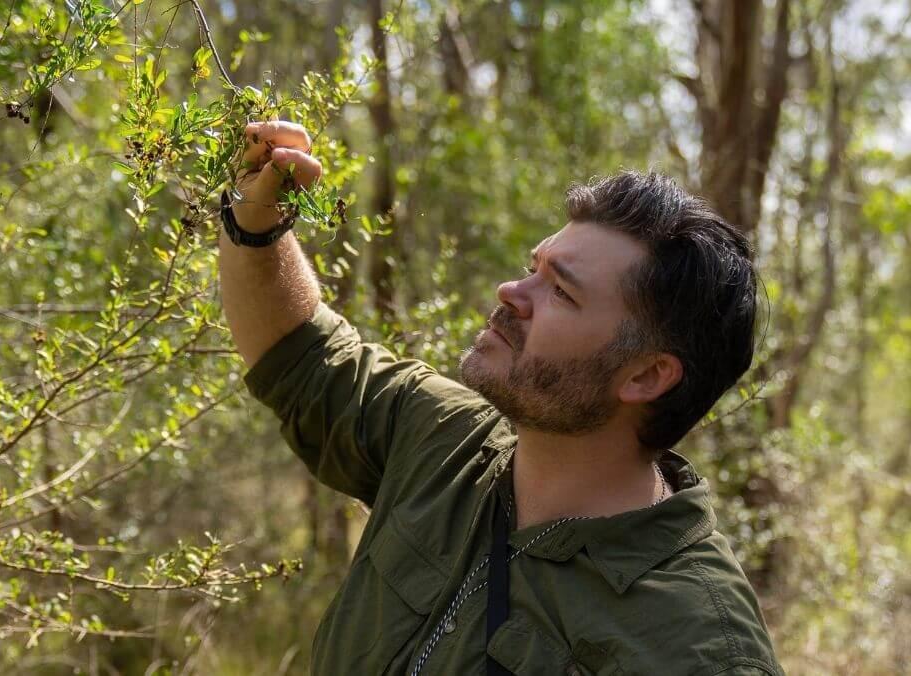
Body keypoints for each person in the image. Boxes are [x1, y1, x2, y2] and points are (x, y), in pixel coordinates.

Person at [219, 120, 784, 675]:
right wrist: (256, 219)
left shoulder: (698, 647)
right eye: (531, 269)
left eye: (561, 292)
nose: (511, 292)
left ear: (646, 376)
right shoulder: (445, 440)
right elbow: (301, 354)